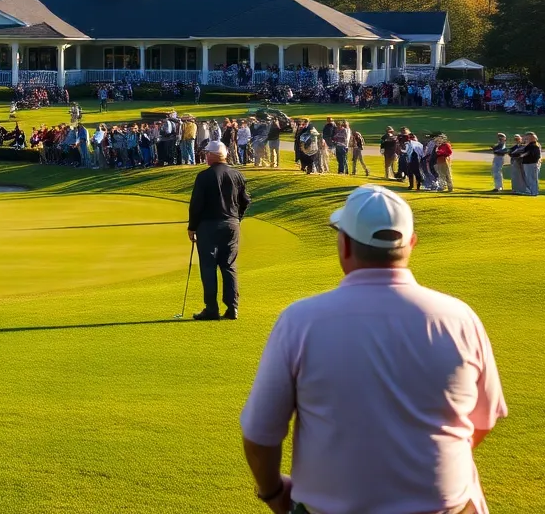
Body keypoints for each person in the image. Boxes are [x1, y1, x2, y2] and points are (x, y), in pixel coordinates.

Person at [240, 184, 506, 514]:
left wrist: (272, 492)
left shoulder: (301, 321)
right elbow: (483, 420)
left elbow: (260, 434)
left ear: (345, 244)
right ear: (411, 243)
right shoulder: (459, 318)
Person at [186, 141, 250, 321]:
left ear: (215, 155)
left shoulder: (204, 176)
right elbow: (245, 201)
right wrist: (237, 219)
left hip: (208, 226)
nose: (205, 156)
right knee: (229, 265)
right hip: (231, 225)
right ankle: (232, 308)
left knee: (208, 267)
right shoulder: (237, 174)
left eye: (207, 153)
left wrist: (192, 227)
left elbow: (196, 205)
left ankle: (211, 309)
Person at [522, 133, 542, 197]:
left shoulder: (535, 145)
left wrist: (523, 155)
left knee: (532, 178)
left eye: (529, 138)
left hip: (532, 163)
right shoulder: (529, 145)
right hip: (528, 163)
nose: (527, 139)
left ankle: (534, 192)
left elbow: (535, 155)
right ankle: (531, 191)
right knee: (529, 178)